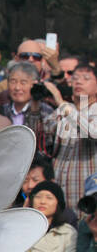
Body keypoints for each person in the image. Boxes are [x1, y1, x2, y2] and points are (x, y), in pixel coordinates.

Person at [48, 60, 97, 209]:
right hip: (58, 194)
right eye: (75, 78)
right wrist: (36, 102)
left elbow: (92, 133)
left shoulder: (66, 107)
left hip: (87, 195)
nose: (78, 82)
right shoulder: (63, 109)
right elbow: (41, 138)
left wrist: (61, 102)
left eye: (86, 78)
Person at [0, 60, 55, 154]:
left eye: (23, 83)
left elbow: (47, 145)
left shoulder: (46, 112)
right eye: (13, 82)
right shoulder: (1, 111)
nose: (17, 88)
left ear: (35, 84)